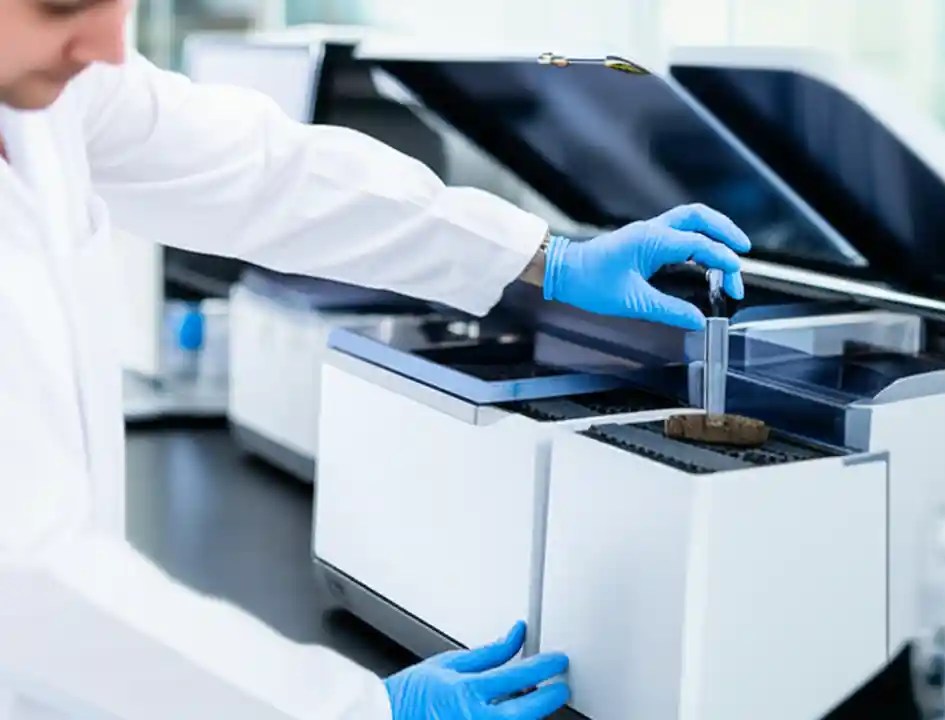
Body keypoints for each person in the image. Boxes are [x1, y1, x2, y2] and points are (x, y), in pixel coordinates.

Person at [0, 1, 751, 719]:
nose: (105, 44)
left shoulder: (57, 88)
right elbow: (28, 586)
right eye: (60, 4)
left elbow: (266, 173)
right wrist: (357, 710)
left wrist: (541, 255)